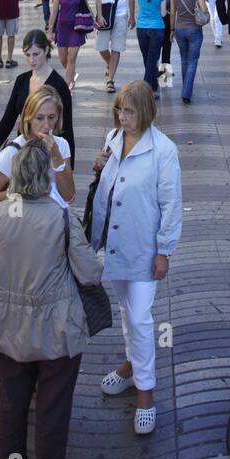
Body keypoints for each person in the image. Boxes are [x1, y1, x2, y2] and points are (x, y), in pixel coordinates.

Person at [0, 139, 102, 459]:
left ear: (16, 175)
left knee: (11, 408)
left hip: (6, 327)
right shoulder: (61, 217)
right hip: (58, 329)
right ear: (46, 176)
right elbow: (90, 273)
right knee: (53, 411)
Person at [93, 81, 182, 437]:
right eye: (119, 109)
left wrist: (164, 251)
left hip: (144, 248)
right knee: (126, 310)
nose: (122, 116)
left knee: (142, 318)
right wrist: (100, 166)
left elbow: (171, 204)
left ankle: (146, 392)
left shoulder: (164, 150)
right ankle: (132, 364)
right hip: (115, 244)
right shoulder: (113, 138)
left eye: (128, 111)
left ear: (144, 112)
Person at [0, 29, 73, 189]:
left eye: (36, 54)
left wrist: (68, 171)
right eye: (27, 55)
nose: (31, 60)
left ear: (46, 50)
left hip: (48, 152)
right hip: (24, 150)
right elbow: (7, 120)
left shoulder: (59, 85)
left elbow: (67, 130)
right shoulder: (22, 80)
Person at [0, 88, 74, 209]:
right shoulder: (12, 151)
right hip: (23, 218)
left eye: (51, 117)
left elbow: (69, 197)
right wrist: (18, 191)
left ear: (59, 116)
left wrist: (56, 157)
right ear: (28, 117)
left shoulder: (61, 145)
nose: (46, 125)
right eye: (39, 118)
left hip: (53, 219)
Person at [94, 0, 137, 95]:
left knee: (117, 48)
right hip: (105, 14)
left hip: (120, 14)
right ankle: (110, 64)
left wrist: (132, 16)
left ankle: (110, 80)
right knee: (101, 47)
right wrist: (99, 15)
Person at [170, 0, 208, 104]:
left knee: (184, 59)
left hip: (179, 29)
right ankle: (186, 92)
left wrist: (172, 30)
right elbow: (204, 10)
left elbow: (172, 14)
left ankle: (186, 87)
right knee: (192, 61)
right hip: (194, 30)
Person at [46, 0, 89, 91]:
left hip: (76, 28)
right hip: (62, 28)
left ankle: (66, 87)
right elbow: (54, 12)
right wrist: (50, 31)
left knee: (71, 59)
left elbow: (86, 7)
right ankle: (72, 75)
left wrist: (95, 20)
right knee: (63, 59)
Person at [134, 0, 167, 95]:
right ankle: (146, 89)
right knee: (152, 59)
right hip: (157, 28)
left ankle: (153, 85)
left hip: (141, 28)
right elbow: (163, 14)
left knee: (147, 58)